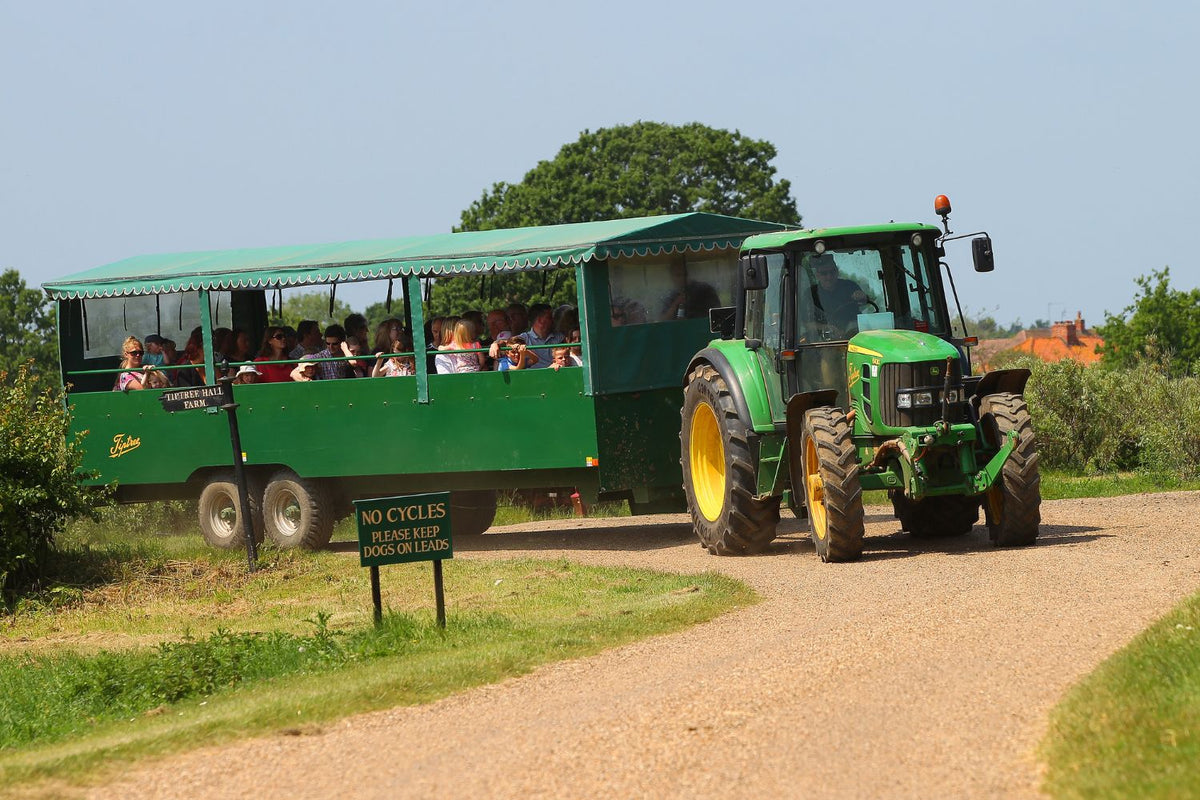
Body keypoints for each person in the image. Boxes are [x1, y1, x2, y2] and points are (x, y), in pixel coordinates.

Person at [805, 254, 870, 336]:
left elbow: (865, 301)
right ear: (817, 275)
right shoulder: (811, 294)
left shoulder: (850, 286)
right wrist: (826, 327)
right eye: (824, 273)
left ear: (837, 272)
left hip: (853, 335)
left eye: (832, 272)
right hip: (824, 341)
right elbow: (807, 324)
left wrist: (863, 297)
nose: (829, 276)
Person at [521, 303, 565, 368]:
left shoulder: (560, 337)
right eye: (549, 317)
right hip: (532, 377)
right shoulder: (524, 338)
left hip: (556, 374)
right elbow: (508, 344)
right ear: (540, 320)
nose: (553, 320)